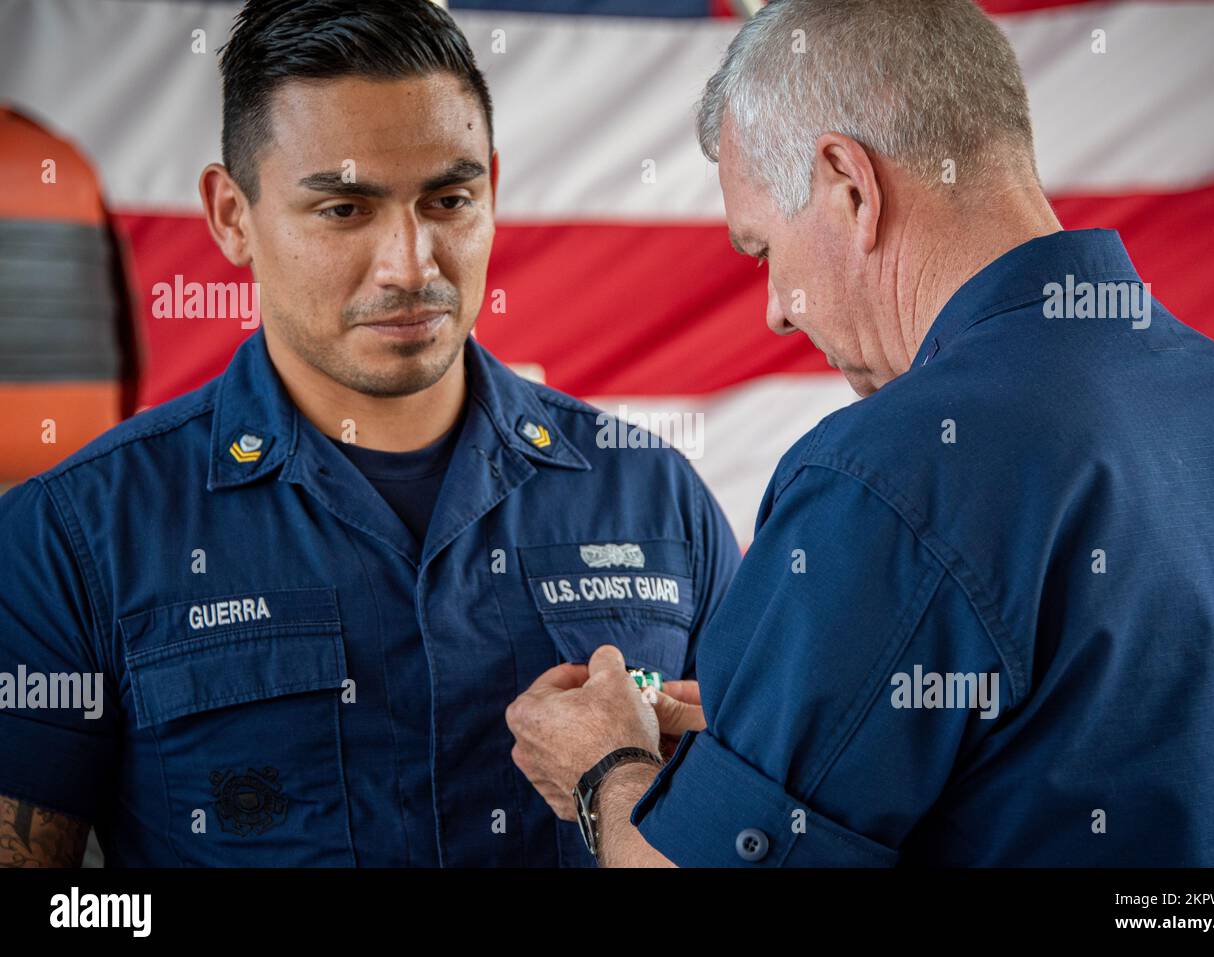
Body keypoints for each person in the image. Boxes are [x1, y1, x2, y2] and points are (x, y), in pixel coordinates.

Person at [506, 0, 1214, 866]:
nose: (773, 311)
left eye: (764, 249)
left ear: (850, 182)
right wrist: (767, 742)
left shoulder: (885, 475)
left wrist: (604, 771)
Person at [0, 0, 738, 867]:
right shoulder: (72, 535)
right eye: (345, 209)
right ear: (231, 216)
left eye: (449, 199)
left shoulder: (658, 498)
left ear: (493, 188)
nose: (410, 265)